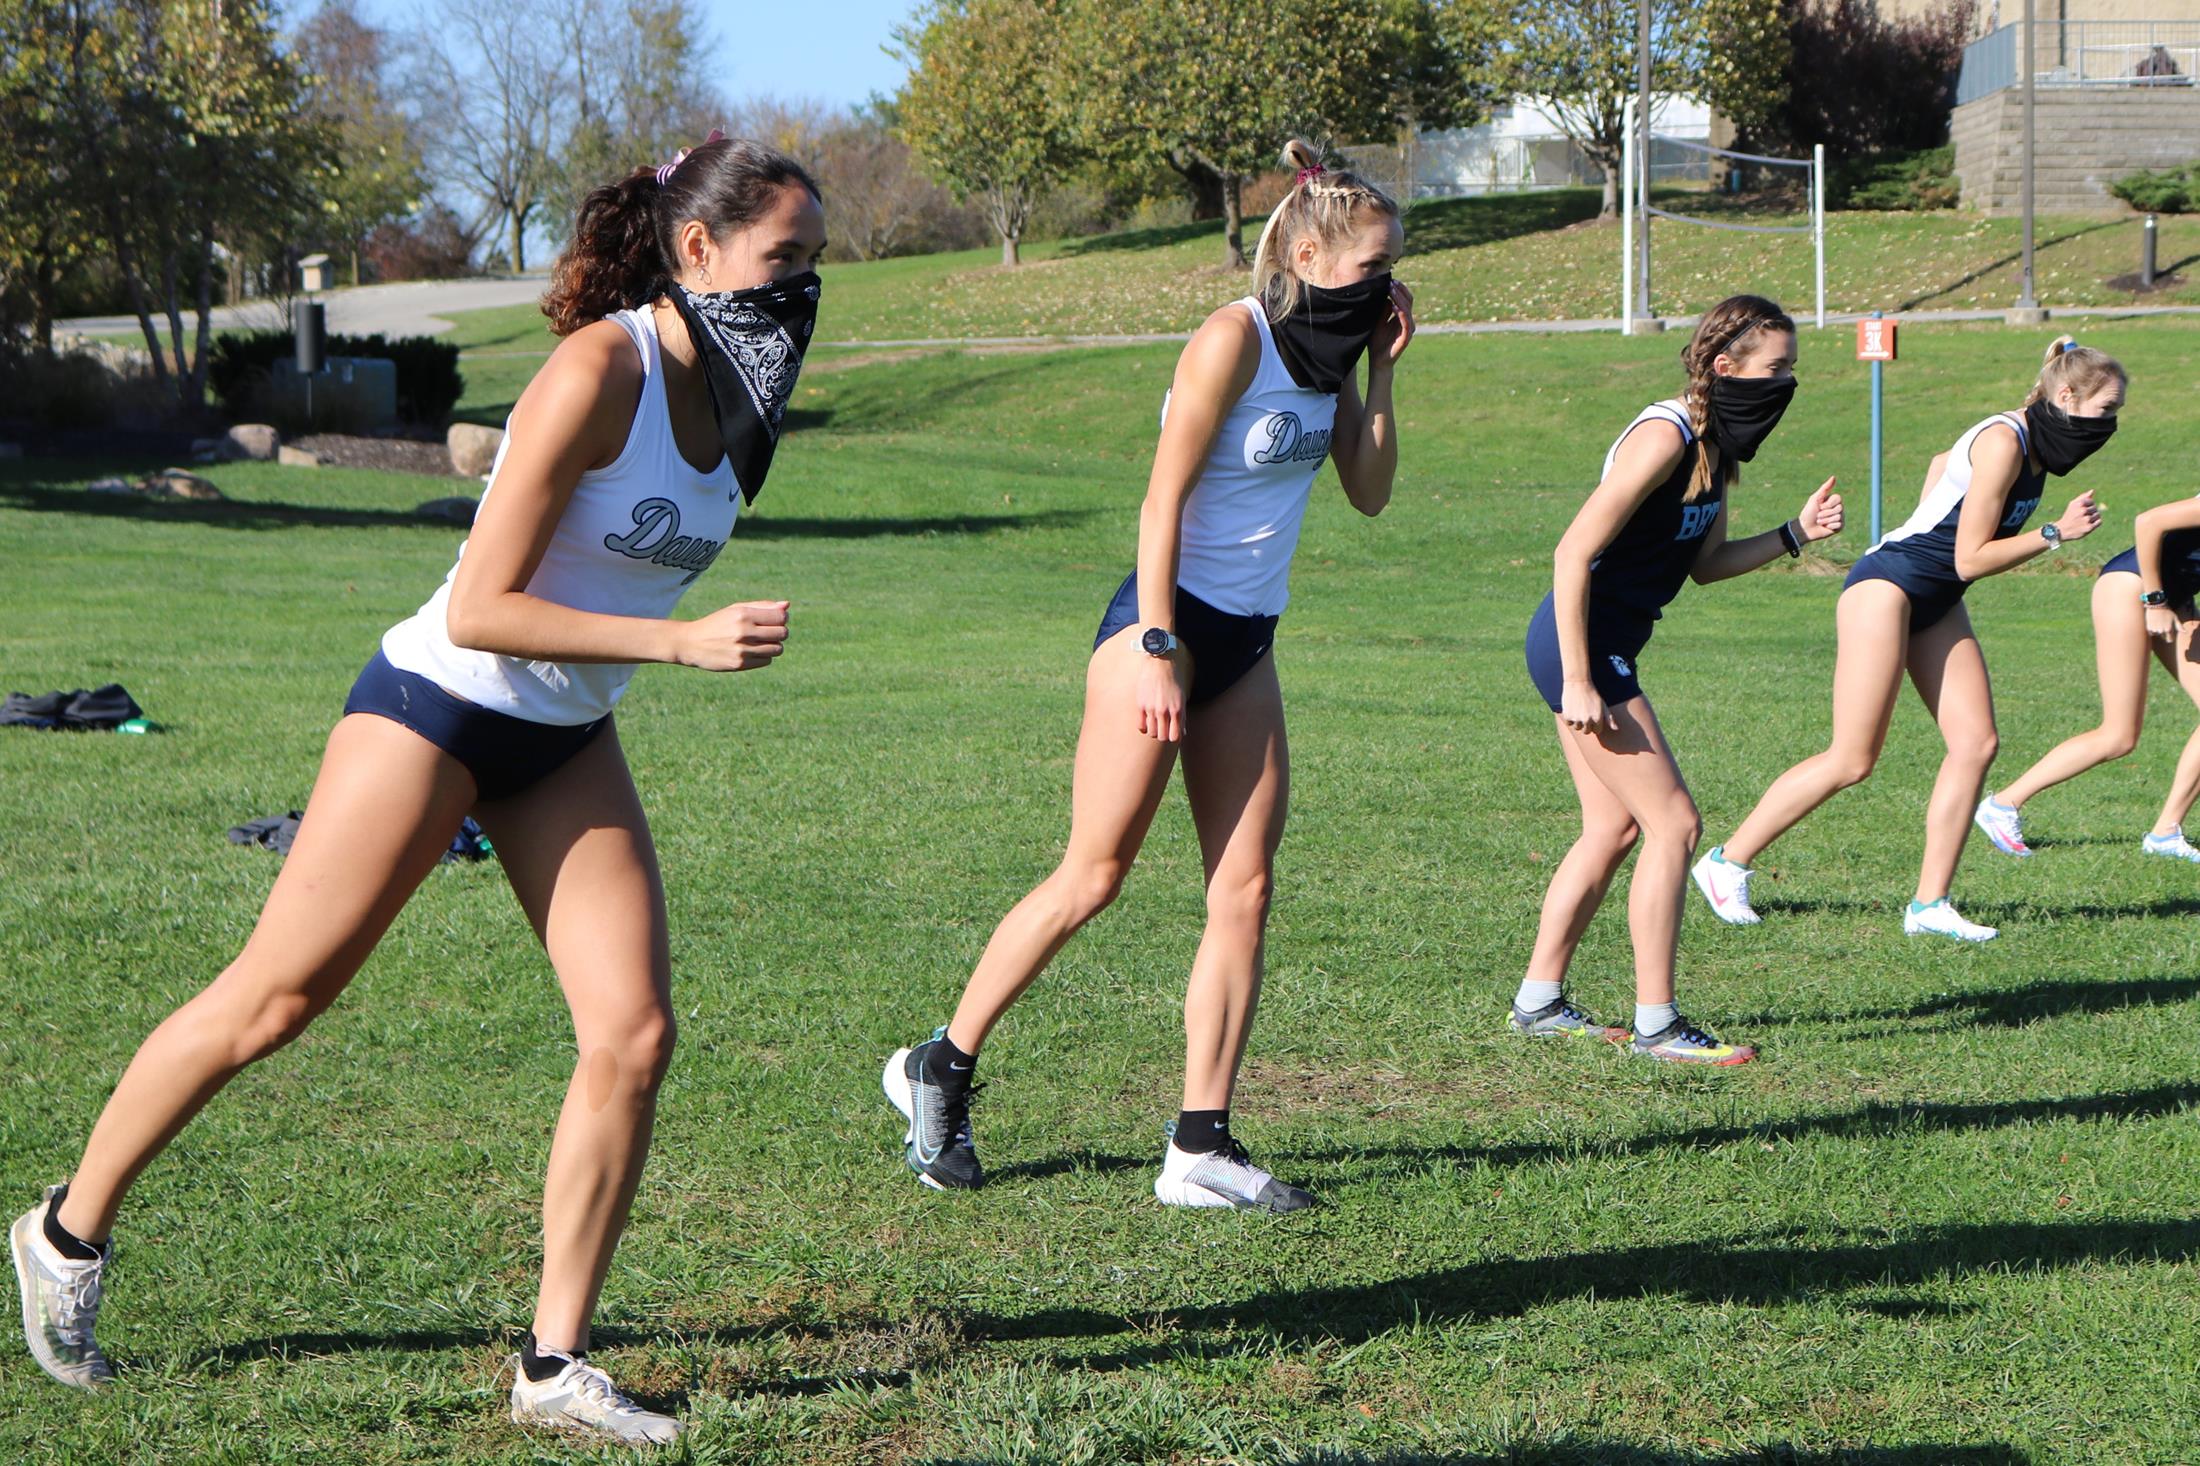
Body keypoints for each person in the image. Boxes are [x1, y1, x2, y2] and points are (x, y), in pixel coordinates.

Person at [9, 133, 826, 1446]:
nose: (802, 285)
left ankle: (554, 1362)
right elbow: (484, 604)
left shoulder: (737, 401)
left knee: (634, 1032)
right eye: (785, 256)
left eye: (813, 260)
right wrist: (678, 640)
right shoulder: (593, 370)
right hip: (438, 705)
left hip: (562, 732)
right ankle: (61, 1230)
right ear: (698, 250)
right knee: (277, 997)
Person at [880, 139, 1412, 1212]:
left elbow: (1368, 490)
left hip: (1252, 638)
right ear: (1305, 253)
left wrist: (1385, 365)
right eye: (1371, 271)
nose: (1388, 287)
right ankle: (940, 1063)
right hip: (1163, 628)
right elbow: (1159, 502)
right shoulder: (1235, 338)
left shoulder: (1331, 353)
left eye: (1395, 270)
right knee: (1094, 874)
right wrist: (1160, 646)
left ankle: (1199, 1144)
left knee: (1244, 888)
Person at [1695, 337, 2124, 942]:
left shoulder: (2029, 447)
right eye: (2105, 410)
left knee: (1976, 743)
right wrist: (2055, 533)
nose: (2110, 425)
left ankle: (1929, 905)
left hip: (1935, 596)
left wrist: (1926, 527)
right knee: (1852, 758)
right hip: (1888, 587)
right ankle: (1725, 863)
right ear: (2066, 395)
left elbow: (1941, 463)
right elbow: (1972, 558)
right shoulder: (2006, 440)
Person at [1516, 294, 1839, 1067]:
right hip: (1581, 644)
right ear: (1726, 367)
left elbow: (1706, 567)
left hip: (1605, 644)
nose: (1787, 382)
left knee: (1613, 828)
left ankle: (1538, 1003)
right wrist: (1582, 678)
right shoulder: (1665, 435)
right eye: (1777, 367)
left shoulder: (1716, 450)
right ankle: (1658, 1025)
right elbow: (1571, 554)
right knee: (1676, 826)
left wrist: (1793, 534)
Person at [1976, 489, 2200, 862]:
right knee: (2118, 736)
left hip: (2173, 598)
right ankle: (2003, 805)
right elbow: (2149, 521)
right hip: (2132, 590)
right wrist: (2156, 599)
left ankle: (2165, 833)